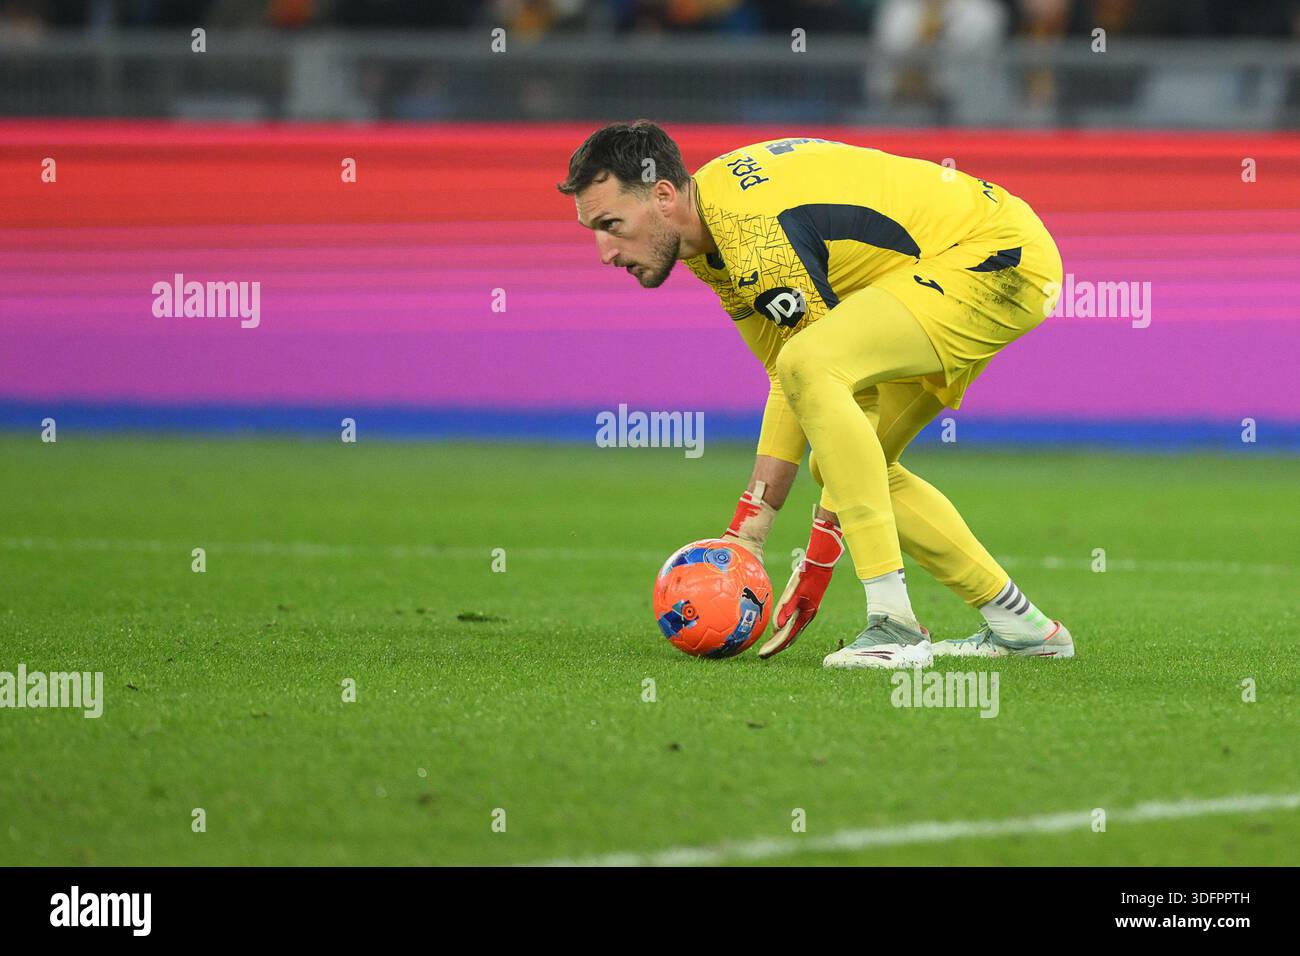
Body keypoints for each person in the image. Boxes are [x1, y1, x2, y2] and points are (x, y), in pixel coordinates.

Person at [558, 120, 1075, 668]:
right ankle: (1022, 625)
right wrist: (748, 532)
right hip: (951, 263)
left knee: (820, 375)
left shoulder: (750, 229)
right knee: (846, 453)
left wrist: (820, 559)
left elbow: (825, 375)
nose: (604, 251)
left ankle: (893, 625)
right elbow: (790, 377)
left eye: (611, 224)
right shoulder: (707, 235)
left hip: (991, 256)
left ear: (663, 195)